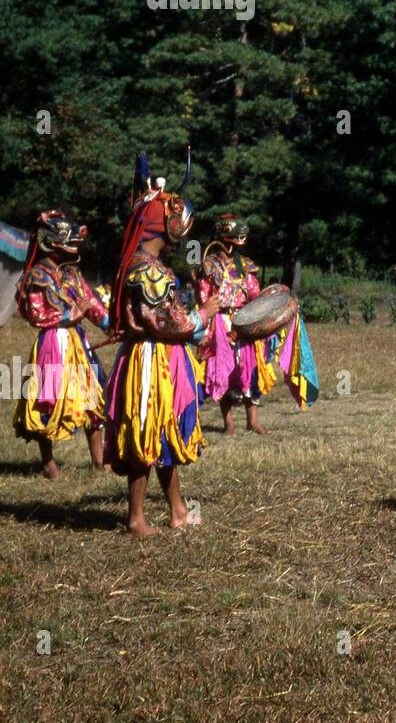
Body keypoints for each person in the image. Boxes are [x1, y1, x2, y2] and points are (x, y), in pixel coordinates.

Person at [103, 152, 218, 534]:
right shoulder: (149, 272)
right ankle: (136, 518)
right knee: (146, 434)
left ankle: (178, 510)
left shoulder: (136, 264)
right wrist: (207, 313)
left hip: (156, 358)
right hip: (154, 360)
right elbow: (173, 323)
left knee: (163, 433)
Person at [12, 211, 113, 479]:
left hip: (78, 343)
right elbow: (36, 314)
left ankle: (98, 461)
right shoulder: (38, 276)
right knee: (48, 401)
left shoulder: (72, 274)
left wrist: (112, 324)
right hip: (52, 344)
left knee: (93, 400)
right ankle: (48, 464)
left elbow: (91, 303)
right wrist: (70, 315)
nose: (75, 245)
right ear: (52, 242)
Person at [197, 214, 276, 435]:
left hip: (245, 321)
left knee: (251, 369)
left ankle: (253, 420)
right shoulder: (208, 266)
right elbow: (203, 296)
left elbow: (253, 292)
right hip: (221, 323)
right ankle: (228, 422)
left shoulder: (246, 265)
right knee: (224, 370)